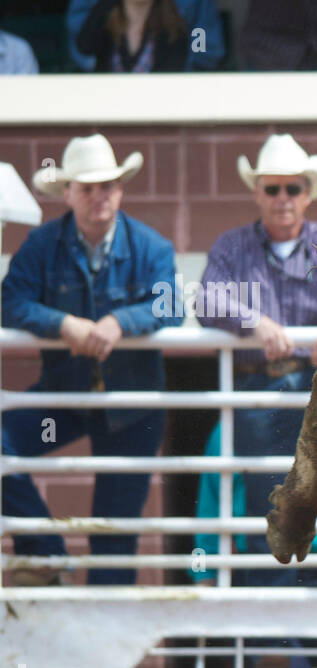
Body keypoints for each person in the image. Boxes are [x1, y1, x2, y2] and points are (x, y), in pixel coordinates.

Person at [1, 135, 180, 585]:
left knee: (113, 534)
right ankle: (44, 553)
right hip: (66, 396)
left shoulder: (150, 246)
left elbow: (170, 305)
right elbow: (10, 302)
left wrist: (120, 321)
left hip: (131, 406)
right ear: (68, 193)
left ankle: (101, 639)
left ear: (121, 190)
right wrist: (64, 324)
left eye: (108, 186)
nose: (99, 197)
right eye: (87, 188)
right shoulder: (42, 245)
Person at [196, 133, 317, 585]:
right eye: (272, 189)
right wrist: (252, 322)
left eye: (292, 189)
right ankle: (272, 633)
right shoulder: (233, 246)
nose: (282, 199)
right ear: (257, 192)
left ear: (307, 194)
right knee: (266, 501)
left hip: (316, 390)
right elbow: (205, 299)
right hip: (260, 391)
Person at [67, 0, 225, 71]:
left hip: (172, 100)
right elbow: (82, 45)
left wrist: (191, 69)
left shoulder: (181, 15)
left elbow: (205, 44)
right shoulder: (103, 11)